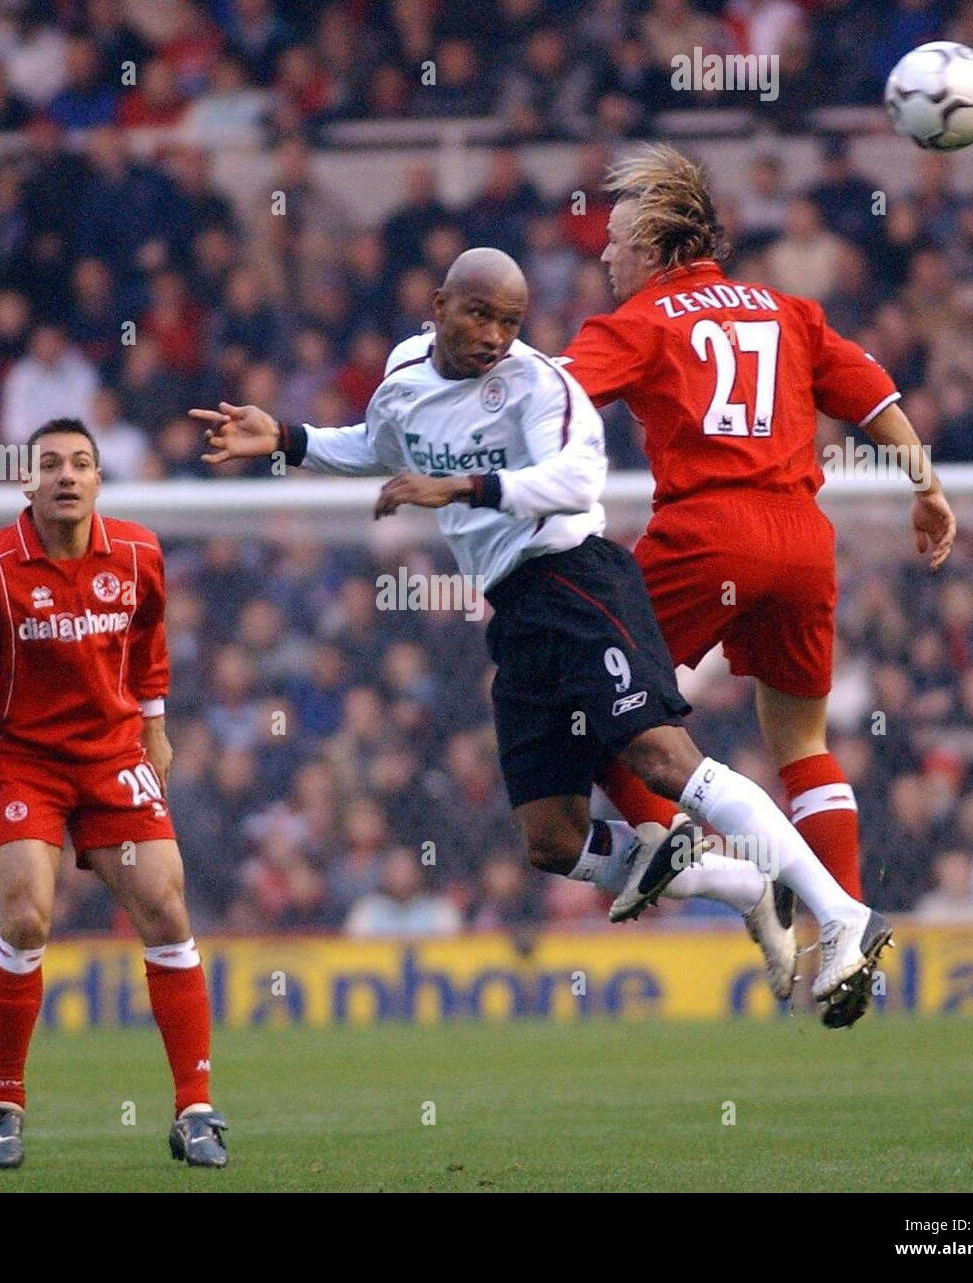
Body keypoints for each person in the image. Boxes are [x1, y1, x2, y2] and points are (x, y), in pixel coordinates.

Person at [195, 247, 893, 1027]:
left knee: (662, 758)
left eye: (510, 321)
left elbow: (573, 482)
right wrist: (289, 440)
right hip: (516, 609)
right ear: (437, 305)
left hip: (579, 581)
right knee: (551, 837)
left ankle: (840, 914)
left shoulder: (539, 384)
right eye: (479, 315)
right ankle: (741, 885)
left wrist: (468, 486)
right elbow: (377, 445)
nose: (496, 335)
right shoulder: (403, 380)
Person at [561, 146, 956, 972]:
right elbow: (871, 391)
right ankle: (841, 930)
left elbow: (556, 395)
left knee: (588, 689)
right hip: (804, 539)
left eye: (619, 242)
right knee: (802, 741)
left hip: (706, 532)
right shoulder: (787, 310)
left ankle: (662, 839)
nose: (604, 255)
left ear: (663, 251)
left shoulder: (643, 321)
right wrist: (925, 484)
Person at [0, 418, 228, 1170]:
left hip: (113, 754)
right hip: (22, 757)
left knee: (167, 908)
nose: (66, 475)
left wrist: (155, 724)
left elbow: (148, 641)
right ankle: (4, 1105)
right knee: (24, 916)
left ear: (97, 480)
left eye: (81, 463)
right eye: (50, 463)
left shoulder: (141, 552)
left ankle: (197, 1110)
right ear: (29, 481)